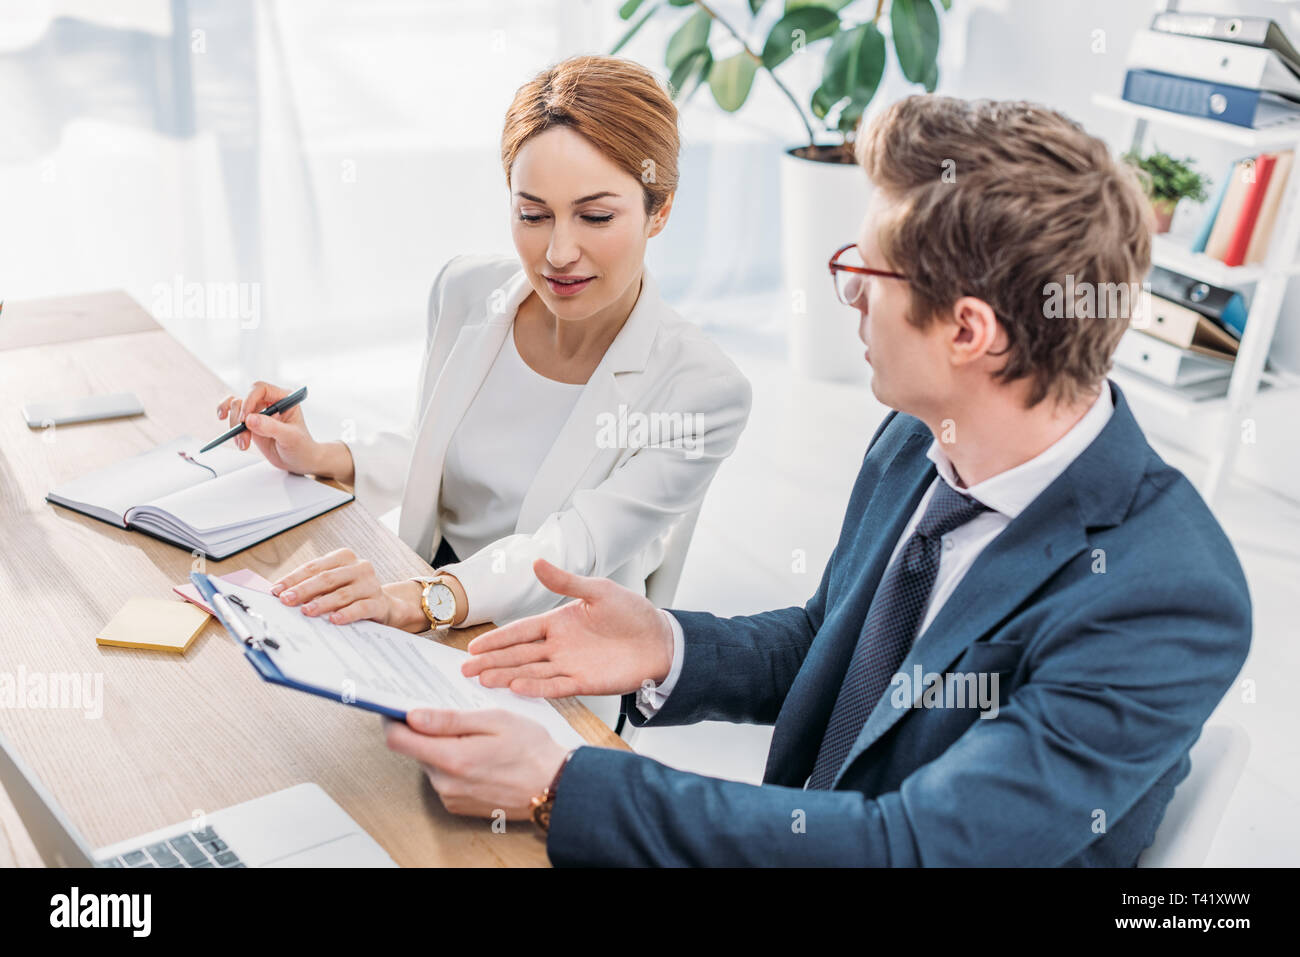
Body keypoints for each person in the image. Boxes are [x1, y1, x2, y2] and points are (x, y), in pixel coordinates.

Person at [381, 95, 1253, 866]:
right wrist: (667, 646)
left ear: (970, 330)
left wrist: (563, 786)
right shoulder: (918, 442)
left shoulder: (1163, 593)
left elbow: (918, 846)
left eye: (865, 272)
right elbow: (831, 640)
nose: (848, 296)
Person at [215, 55, 751, 636]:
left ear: (660, 211)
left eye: (595, 216)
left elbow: (573, 546)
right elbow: (435, 450)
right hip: (424, 591)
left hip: (555, 641)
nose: (559, 252)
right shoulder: (465, 290)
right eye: (533, 214)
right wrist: (321, 457)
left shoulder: (704, 389)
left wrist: (423, 602)